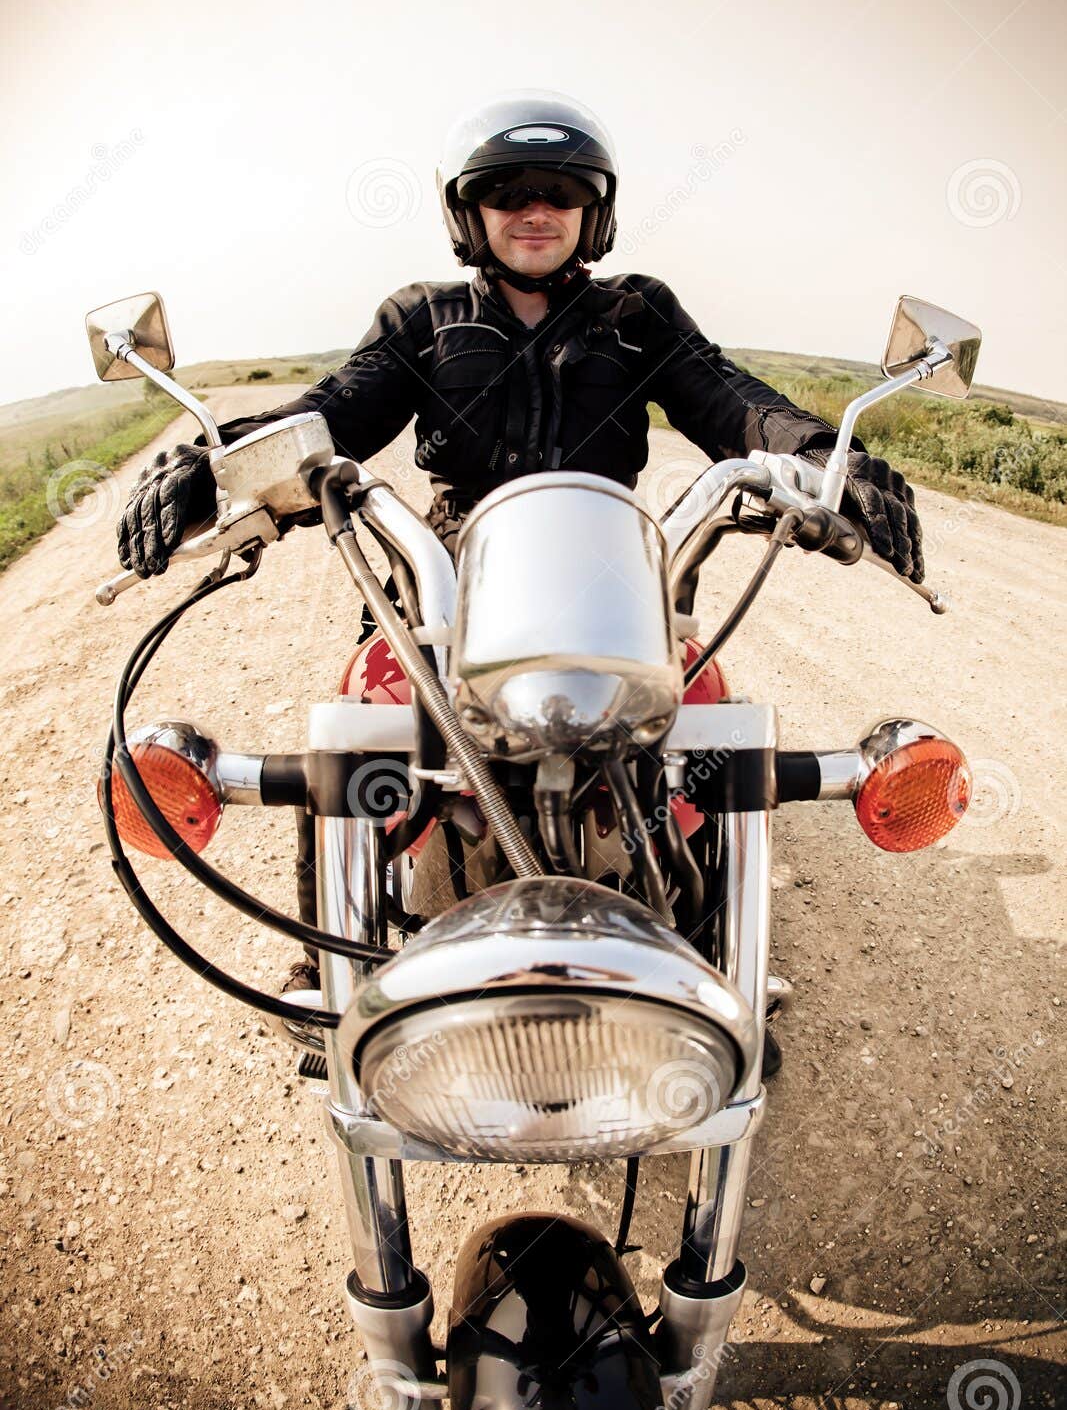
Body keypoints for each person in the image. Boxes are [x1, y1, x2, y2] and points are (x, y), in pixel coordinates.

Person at [116, 91, 923, 1063]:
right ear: (470, 211)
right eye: (505, 191)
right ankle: (329, 963)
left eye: (559, 190)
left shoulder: (637, 312)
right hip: (455, 580)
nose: (532, 209)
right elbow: (332, 409)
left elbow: (731, 402)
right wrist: (221, 465)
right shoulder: (421, 318)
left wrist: (828, 460)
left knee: (700, 702)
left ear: (594, 209)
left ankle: (712, 939)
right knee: (364, 708)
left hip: (610, 578)